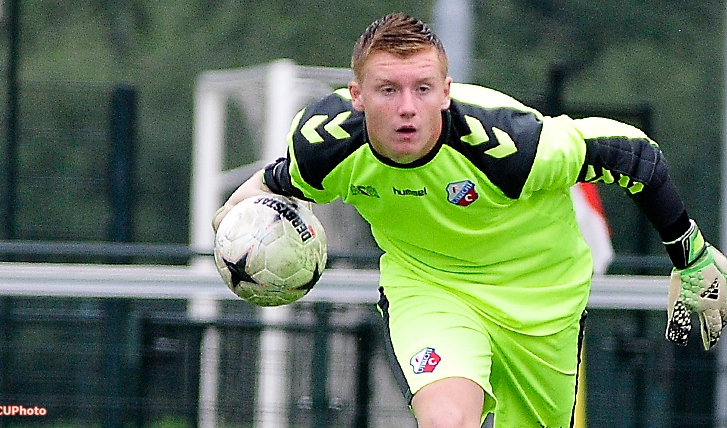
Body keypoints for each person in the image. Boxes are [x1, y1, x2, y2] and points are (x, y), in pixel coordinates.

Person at [212, 12, 727, 428]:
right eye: (388, 90)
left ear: (446, 92)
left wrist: (692, 257)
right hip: (430, 287)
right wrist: (233, 225)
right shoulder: (325, 145)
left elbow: (633, 155)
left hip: (540, 302)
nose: (407, 108)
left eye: (422, 88)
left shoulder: (511, 145)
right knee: (447, 420)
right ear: (357, 96)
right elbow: (279, 180)